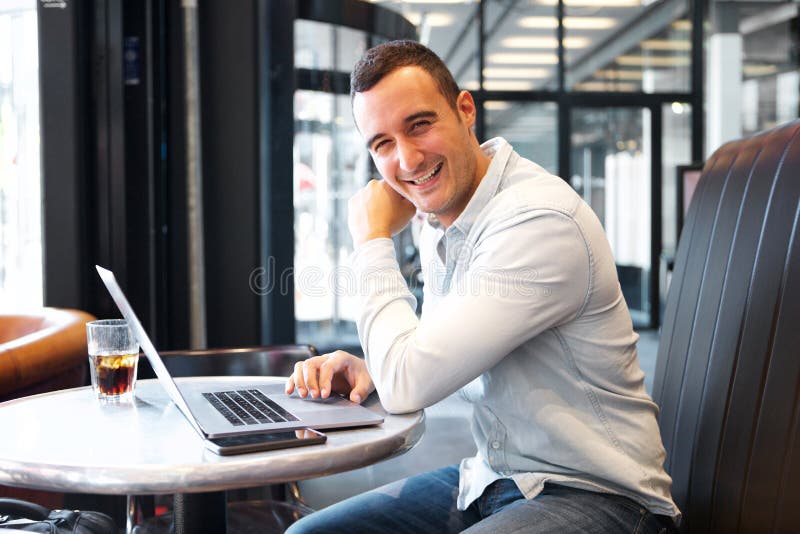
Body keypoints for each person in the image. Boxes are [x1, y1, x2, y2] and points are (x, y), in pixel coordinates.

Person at [285, 40, 679, 533]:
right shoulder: (444, 222)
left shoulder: (537, 220)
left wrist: (371, 239)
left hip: (602, 497)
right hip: (495, 479)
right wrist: (374, 369)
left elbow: (411, 383)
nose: (406, 160)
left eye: (419, 125)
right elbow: (430, 357)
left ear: (465, 110)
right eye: (382, 143)